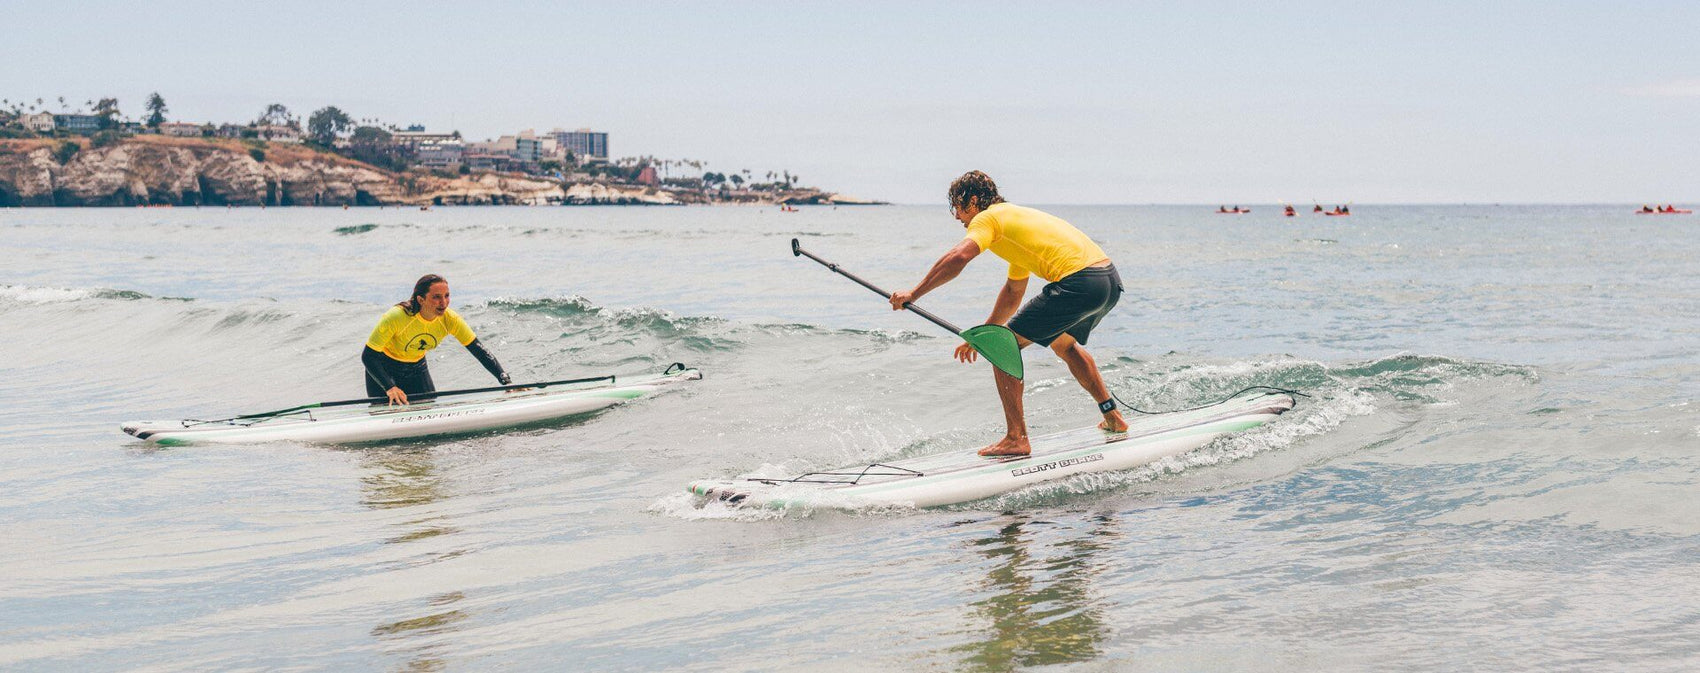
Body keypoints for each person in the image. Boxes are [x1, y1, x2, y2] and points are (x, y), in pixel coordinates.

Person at [889, 171, 1128, 456]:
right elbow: (1014, 292)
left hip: (1080, 282)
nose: (957, 217)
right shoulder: (1014, 221)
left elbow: (958, 257)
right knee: (1063, 344)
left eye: (958, 207)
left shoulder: (987, 219)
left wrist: (913, 294)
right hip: (1108, 281)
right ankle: (1113, 417)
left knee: (1003, 347)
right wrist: (984, 334)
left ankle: (1016, 438)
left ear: (974, 201)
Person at [363, 274, 510, 405]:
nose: (444, 302)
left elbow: (479, 350)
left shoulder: (450, 319)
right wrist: (390, 387)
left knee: (429, 410)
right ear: (421, 299)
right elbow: (368, 356)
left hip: (415, 368)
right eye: (436, 297)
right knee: (388, 416)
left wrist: (506, 381)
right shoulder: (397, 317)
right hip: (384, 368)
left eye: (446, 296)